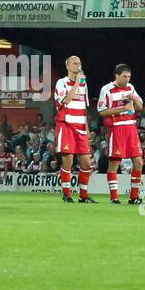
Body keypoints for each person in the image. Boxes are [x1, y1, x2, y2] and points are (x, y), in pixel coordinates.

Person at [98, 64, 145, 204]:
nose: (127, 79)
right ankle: (114, 197)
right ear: (117, 75)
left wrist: (134, 98)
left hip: (131, 128)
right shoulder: (106, 89)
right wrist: (122, 108)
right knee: (114, 163)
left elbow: (140, 107)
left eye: (129, 76)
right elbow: (101, 111)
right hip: (117, 128)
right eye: (124, 76)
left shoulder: (130, 87)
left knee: (138, 162)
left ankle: (134, 197)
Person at [54, 55, 94, 203]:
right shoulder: (61, 82)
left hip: (80, 125)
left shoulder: (84, 84)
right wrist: (77, 83)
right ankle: (67, 194)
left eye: (79, 63)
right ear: (67, 66)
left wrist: (87, 127)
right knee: (68, 160)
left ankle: (83, 196)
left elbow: (84, 106)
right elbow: (65, 101)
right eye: (74, 63)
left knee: (86, 163)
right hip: (67, 124)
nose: (78, 65)